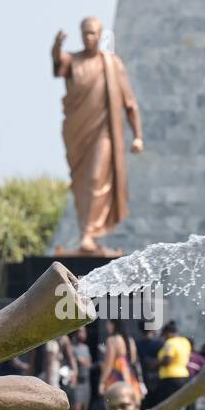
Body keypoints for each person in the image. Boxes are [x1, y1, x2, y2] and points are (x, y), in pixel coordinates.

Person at [51, 17, 144, 254]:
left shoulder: (111, 65)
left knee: (95, 179)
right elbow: (59, 63)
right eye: (85, 33)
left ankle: (89, 233)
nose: (88, 38)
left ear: (100, 35)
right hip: (78, 134)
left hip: (104, 133)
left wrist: (137, 136)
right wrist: (56, 47)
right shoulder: (75, 61)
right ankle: (86, 230)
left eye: (92, 33)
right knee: (81, 183)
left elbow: (129, 103)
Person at [99, 319, 140, 398]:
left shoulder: (112, 340)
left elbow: (109, 365)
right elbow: (133, 360)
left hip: (116, 379)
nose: (107, 327)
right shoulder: (130, 340)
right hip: (130, 378)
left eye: (108, 325)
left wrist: (102, 382)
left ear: (113, 325)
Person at [70, 327, 94, 410]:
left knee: (84, 409)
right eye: (81, 331)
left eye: (85, 331)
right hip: (77, 382)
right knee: (76, 409)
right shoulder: (71, 347)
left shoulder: (86, 347)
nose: (83, 334)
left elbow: (89, 363)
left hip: (86, 382)